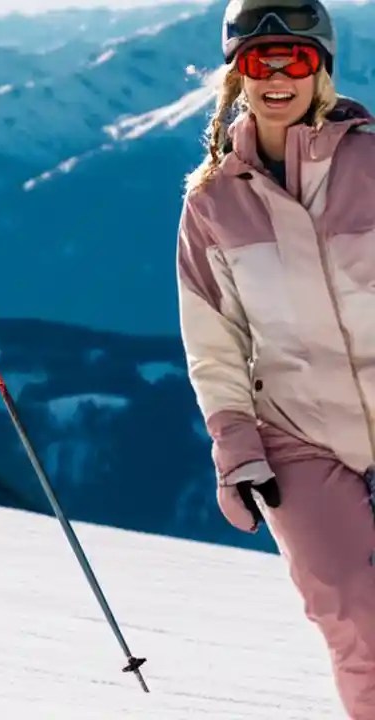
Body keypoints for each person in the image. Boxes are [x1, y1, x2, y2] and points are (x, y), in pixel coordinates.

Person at [177, 0, 375, 716]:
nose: (279, 75)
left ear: (321, 68)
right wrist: (236, 447)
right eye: (262, 60)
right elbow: (214, 342)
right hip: (297, 432)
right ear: (238, 73)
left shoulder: (371, 162)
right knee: (352, 619)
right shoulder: (212, 204)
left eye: (296, 57)